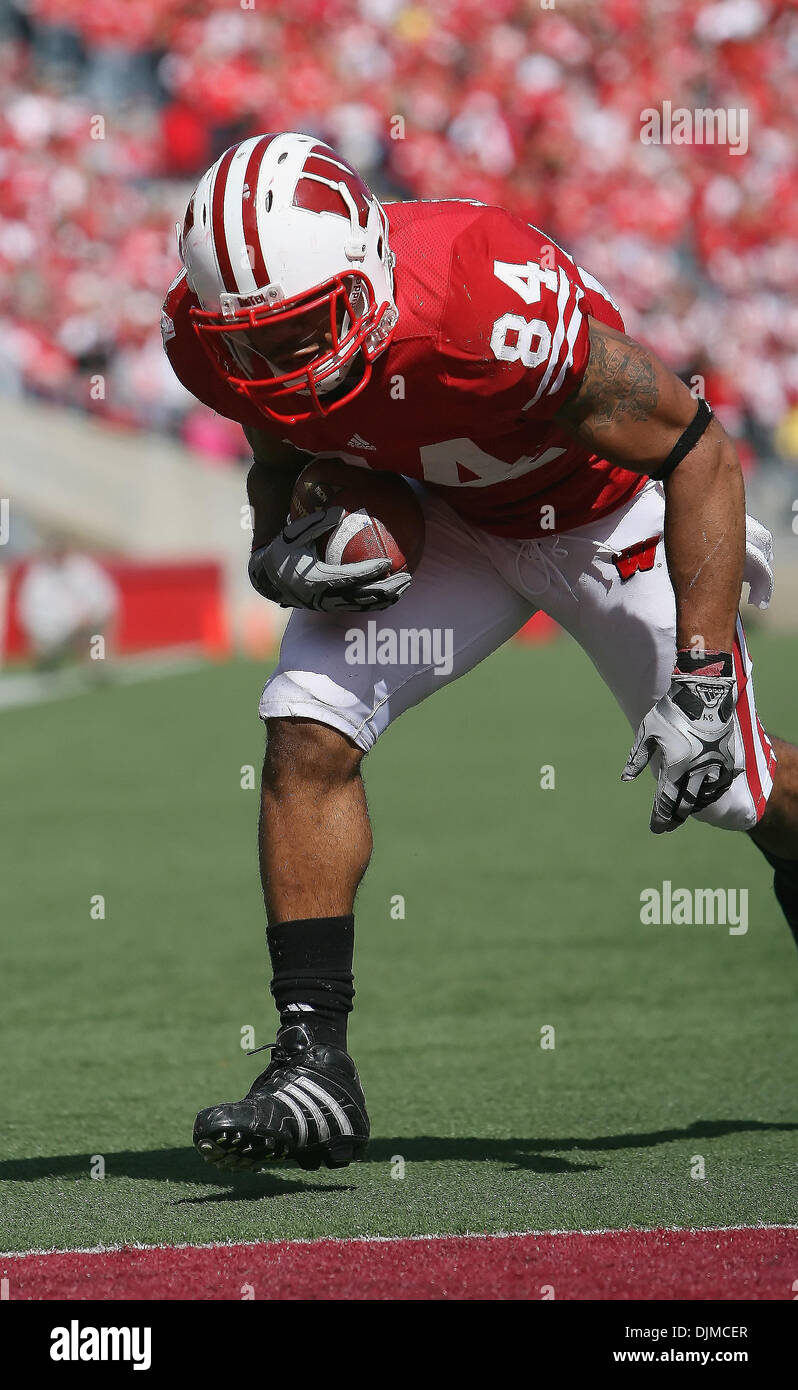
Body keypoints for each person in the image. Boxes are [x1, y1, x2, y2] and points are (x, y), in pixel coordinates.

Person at [162, 132, 797, 1174]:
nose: (285, 366)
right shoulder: (214, 335)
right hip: (447, 516)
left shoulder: (481, 299)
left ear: (366, 276)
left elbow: (700, 450)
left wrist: (701, 670)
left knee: (743, 794)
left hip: (602, 512)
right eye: (257, 345)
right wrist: (282, 555)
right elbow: (277, 458)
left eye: (305, 330)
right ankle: (315, 1064)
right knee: (306, 720)